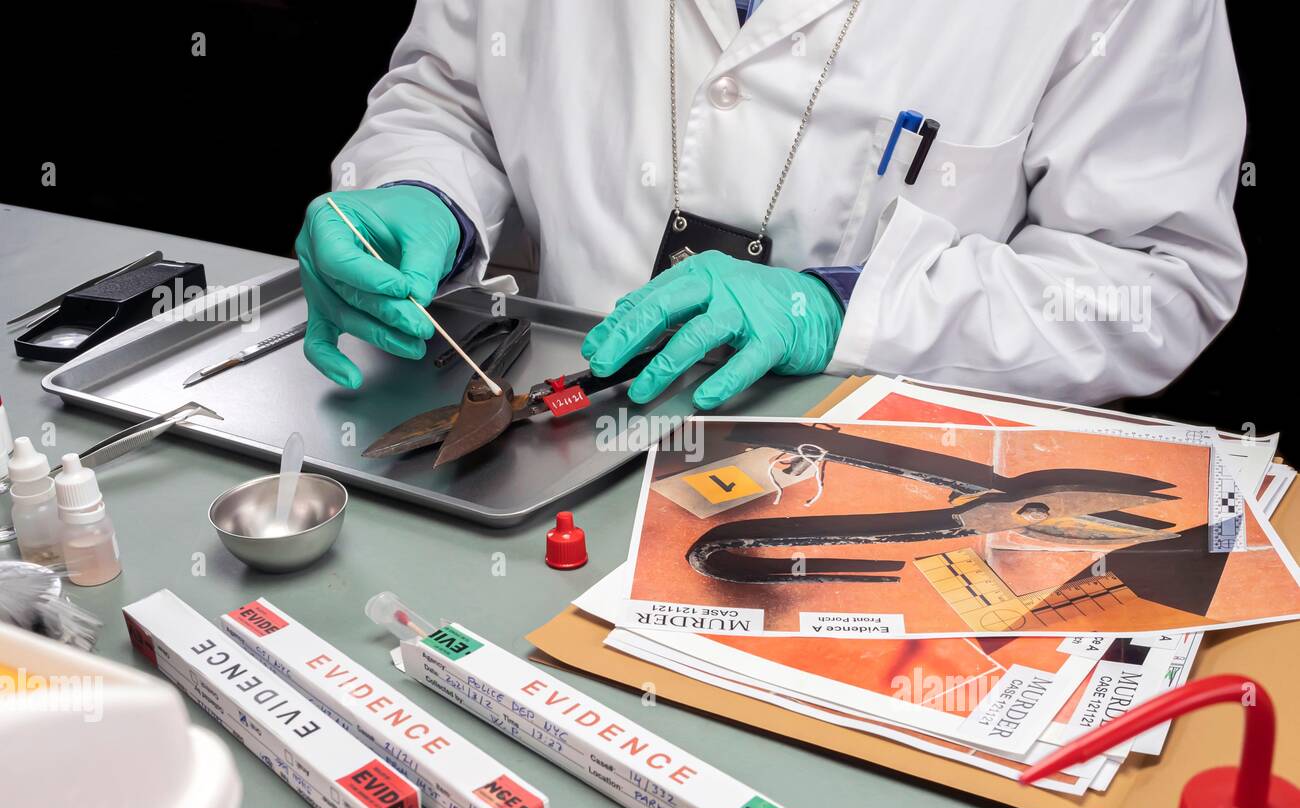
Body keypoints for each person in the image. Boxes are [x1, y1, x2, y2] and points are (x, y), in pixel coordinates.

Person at [296, 0, 1246, 408]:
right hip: (557, 463)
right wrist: (423, 193)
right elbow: (450, 95)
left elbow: (1153, 277)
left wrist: (844, 307)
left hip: (896, 523)